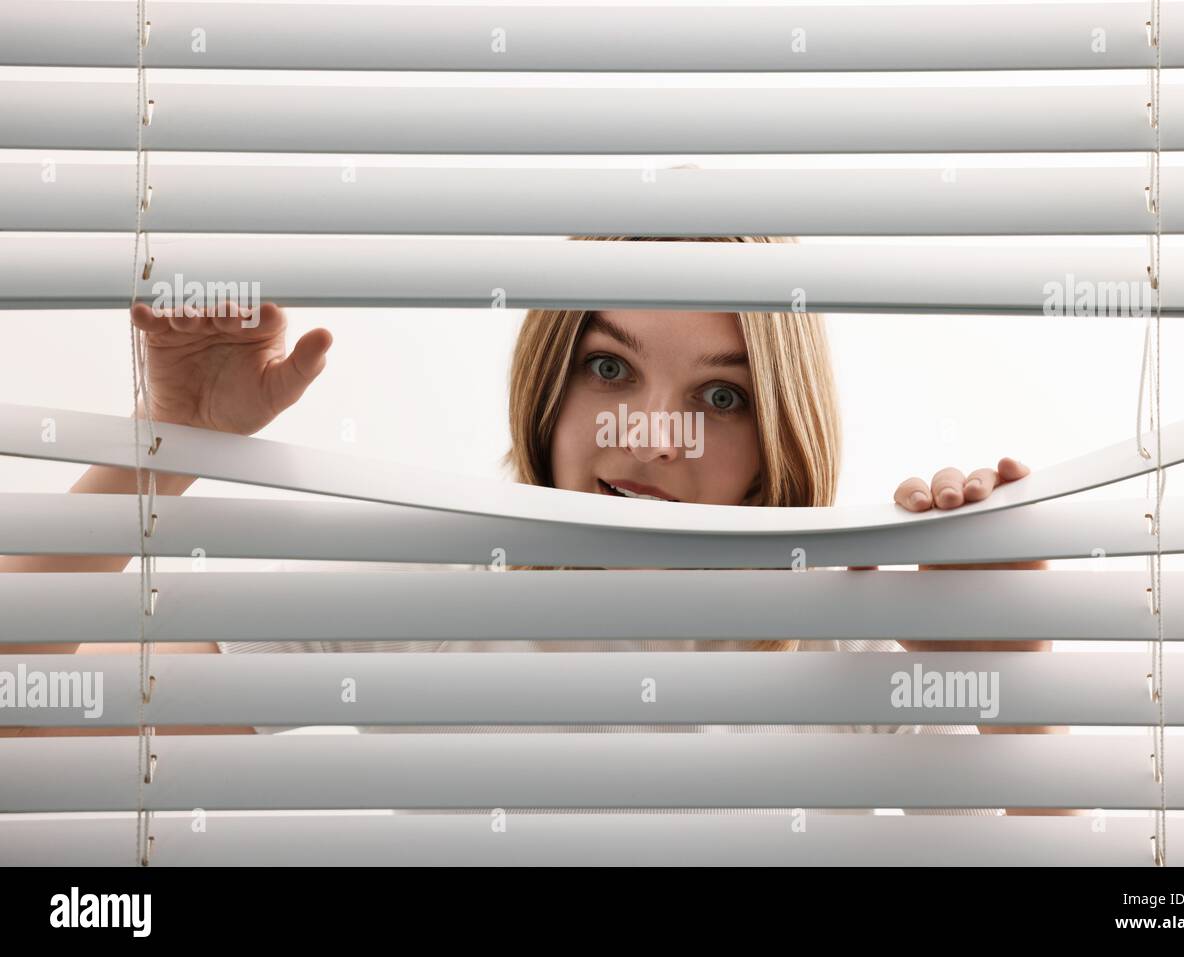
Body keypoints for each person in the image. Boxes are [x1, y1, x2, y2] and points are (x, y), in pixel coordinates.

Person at [1, 235, 1068, 817]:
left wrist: (1010, 692)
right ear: (548, 388)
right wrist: (171, 442)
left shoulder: (853, 653)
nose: (655, 440)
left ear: (784, 429)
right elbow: (30, 735)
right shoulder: (418, 593)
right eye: (611, 369)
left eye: (722, 397)